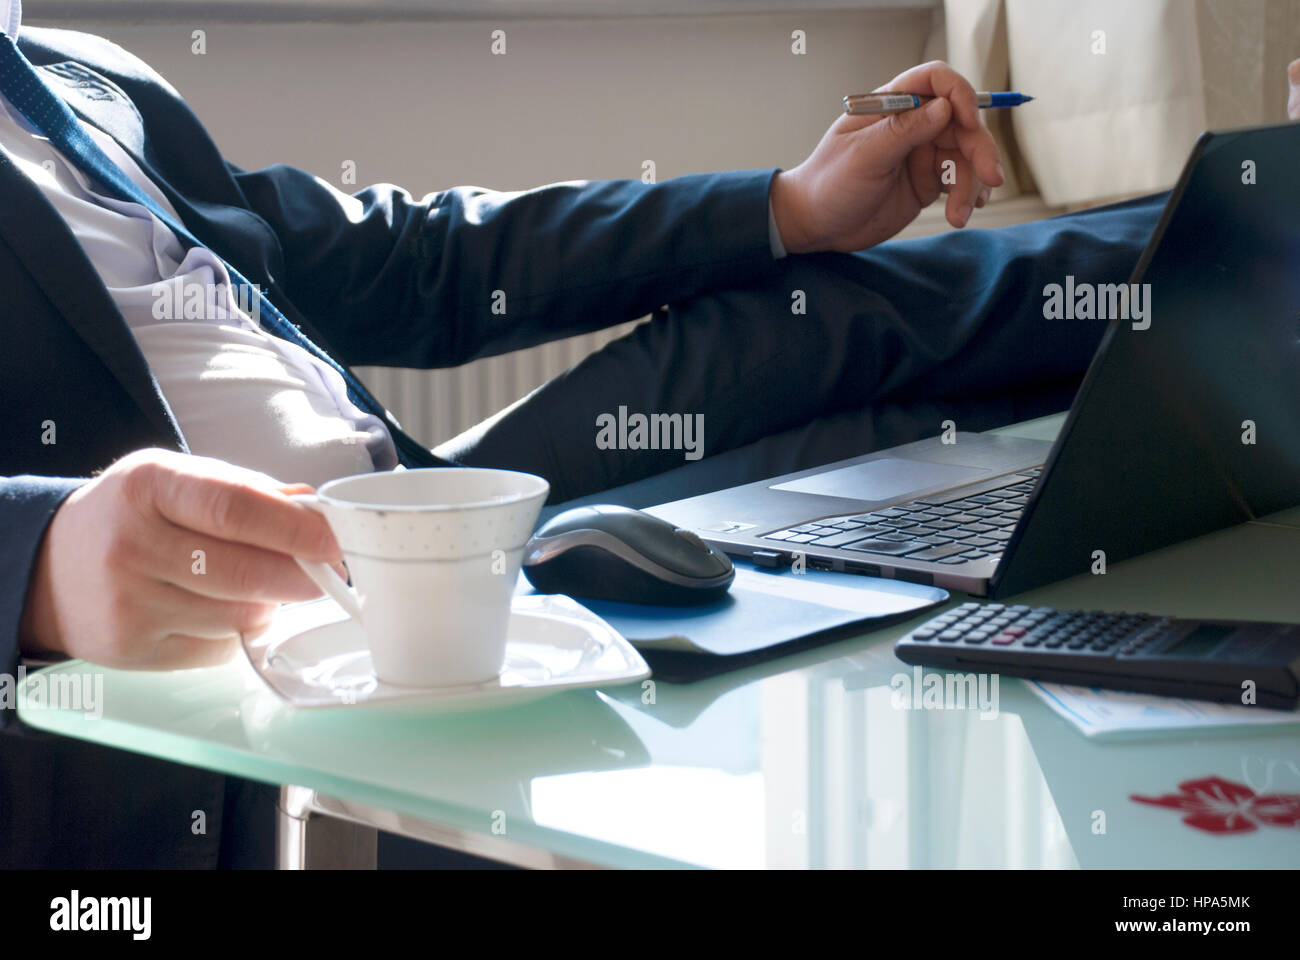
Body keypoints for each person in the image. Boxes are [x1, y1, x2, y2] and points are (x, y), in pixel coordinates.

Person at [1, 3, 1295, 865]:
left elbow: (420, 263)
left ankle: (1259, 249)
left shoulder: (74, 76)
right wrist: (33, 564)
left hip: (442, 517)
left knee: (814, 313)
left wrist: (787, 203)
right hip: (263, 618)